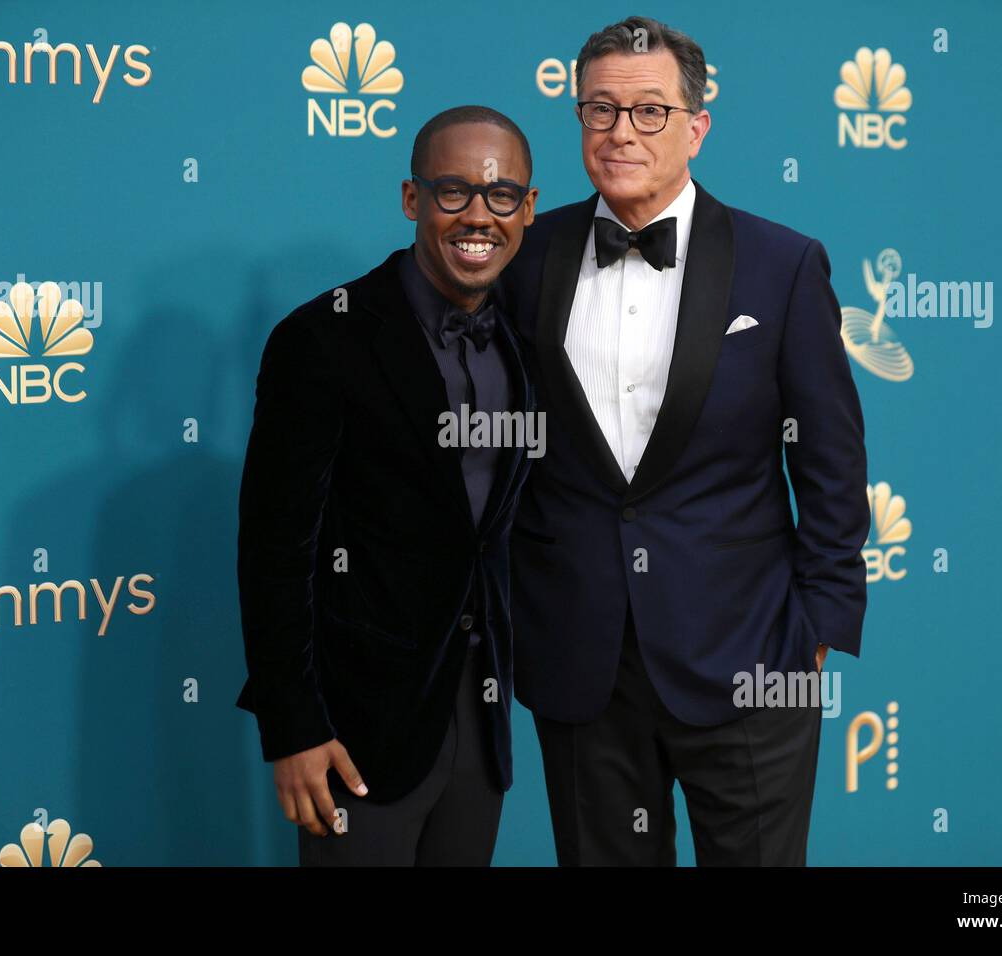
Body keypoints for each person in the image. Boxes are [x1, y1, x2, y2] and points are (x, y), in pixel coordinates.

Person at [497, 16, 870, 866]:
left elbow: (832, 461)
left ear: (697, 126)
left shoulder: (782, 263)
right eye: (601, 110)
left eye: (650, 110)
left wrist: (815, 629)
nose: (622, 131)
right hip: (582, 659)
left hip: (751, 657)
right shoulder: (527, 257)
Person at [235, 105, 538, 865]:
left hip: (482, 716)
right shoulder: (324, 337)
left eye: (502, 196)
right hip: (357, 732)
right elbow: (274, 550)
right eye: (453, 191)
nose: (479, 215)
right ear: (412, 199)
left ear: (528, 209)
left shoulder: (527, 342)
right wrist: (294, 726)